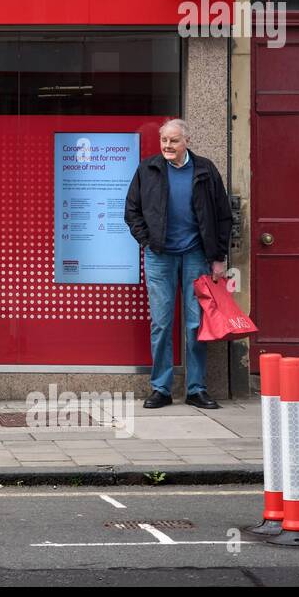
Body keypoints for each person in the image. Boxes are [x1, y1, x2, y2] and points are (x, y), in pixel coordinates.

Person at [124, 119, 232, 410]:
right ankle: (161, 388)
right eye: (164, 141)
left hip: (196, 255)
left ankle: (196, 389)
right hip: (160, 256)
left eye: (173, 141)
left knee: (196, 323)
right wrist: (147, 241)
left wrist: (219, 257)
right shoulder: (149, 169)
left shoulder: (205, 170)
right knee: (161, 323)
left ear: (187, 141)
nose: (168, 146)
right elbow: (131, 210)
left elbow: (222, 215)